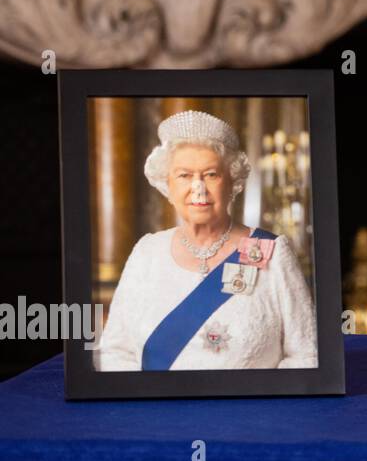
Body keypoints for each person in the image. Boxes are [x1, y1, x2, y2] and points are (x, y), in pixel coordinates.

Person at [95, 109, 318, 370]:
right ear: (168, 184)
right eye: (184, 175)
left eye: (211, 174)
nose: (198, 188)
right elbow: (114, 352)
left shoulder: (270, 251)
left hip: (248, 410)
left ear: (232, 181)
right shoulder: (147, 252)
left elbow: (306, 355)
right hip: (159, 410)